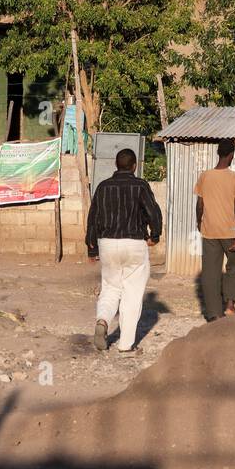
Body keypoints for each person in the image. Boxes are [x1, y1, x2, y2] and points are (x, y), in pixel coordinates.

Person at [86, 148, 163, 354]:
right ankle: (125, 345)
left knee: (110, 288)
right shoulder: (140, 186)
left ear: (116, 165)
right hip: (134, 245)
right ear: (134, 165)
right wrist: (154, 236)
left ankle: (102, 320)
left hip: (107, 245)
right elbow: (153, 212)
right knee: (132, 293)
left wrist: (91, 247)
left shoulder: (102, 187)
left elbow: (93, 218)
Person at [195, 139, 235, 321]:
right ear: (231, 155)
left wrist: (199, 223)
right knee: (234, 267)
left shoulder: (205, 176)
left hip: (209, 231)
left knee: (210, 272)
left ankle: (214, 314)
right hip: (230, 232)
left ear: (218, 153)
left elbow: (199, 205)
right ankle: (230, 305)